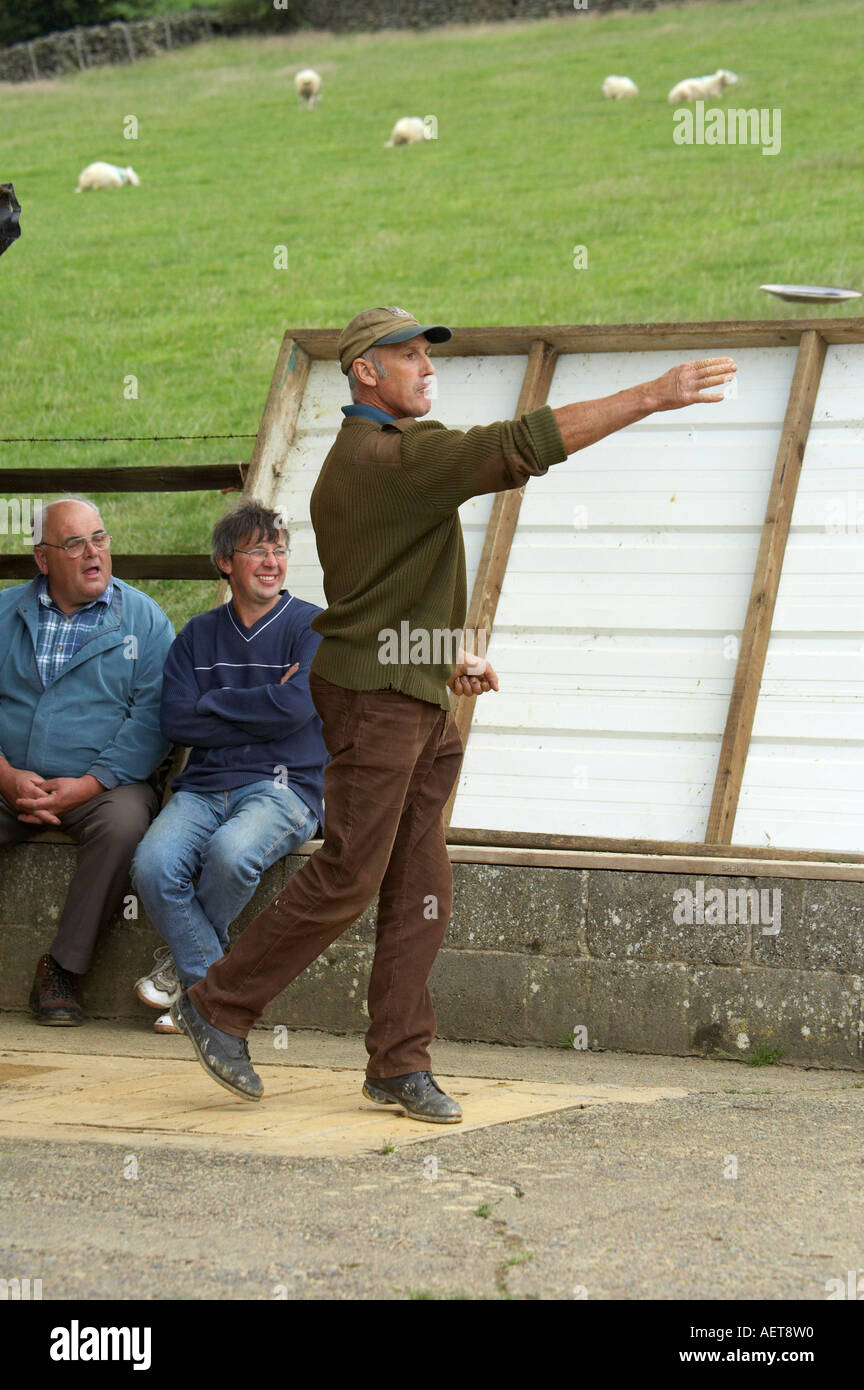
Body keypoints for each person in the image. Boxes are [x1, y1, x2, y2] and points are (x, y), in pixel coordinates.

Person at [172, 305, 737, 1119]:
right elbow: (522, 445)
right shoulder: (395, 455)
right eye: (406, 356)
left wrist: (439, 657)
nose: (426, 367)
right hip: (378, 702)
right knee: (350, 875)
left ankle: (397, 1064)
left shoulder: (370, 457)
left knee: (421, 882)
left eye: (425, 355)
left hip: (408, 688)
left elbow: (376, 596)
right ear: (366, 371)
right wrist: (655, 392)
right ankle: (217, 1003)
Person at [130, 500, 326, 1032]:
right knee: (152, 864)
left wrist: (211, 702)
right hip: (205, 786)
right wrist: (263, 705)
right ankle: (209, 989)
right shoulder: (197, 635)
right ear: (225, 562)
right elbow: (177, 723)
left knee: (232, 853)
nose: (271, 561)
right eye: (257, 550)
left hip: (286, 787)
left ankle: (187, 979)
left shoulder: (312, 627)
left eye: (279, 550)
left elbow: (296, 709)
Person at [0, 497, 174, 1024]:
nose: (93, 553)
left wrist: (90, 784)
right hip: (8, 779)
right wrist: (5, 775)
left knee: (123, 826)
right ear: (43, 559)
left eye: (99, 539)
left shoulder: (143, 620)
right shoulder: (6, 613)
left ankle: (62, 971)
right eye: (74, 543)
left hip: (105, 786)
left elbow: (154, 718)